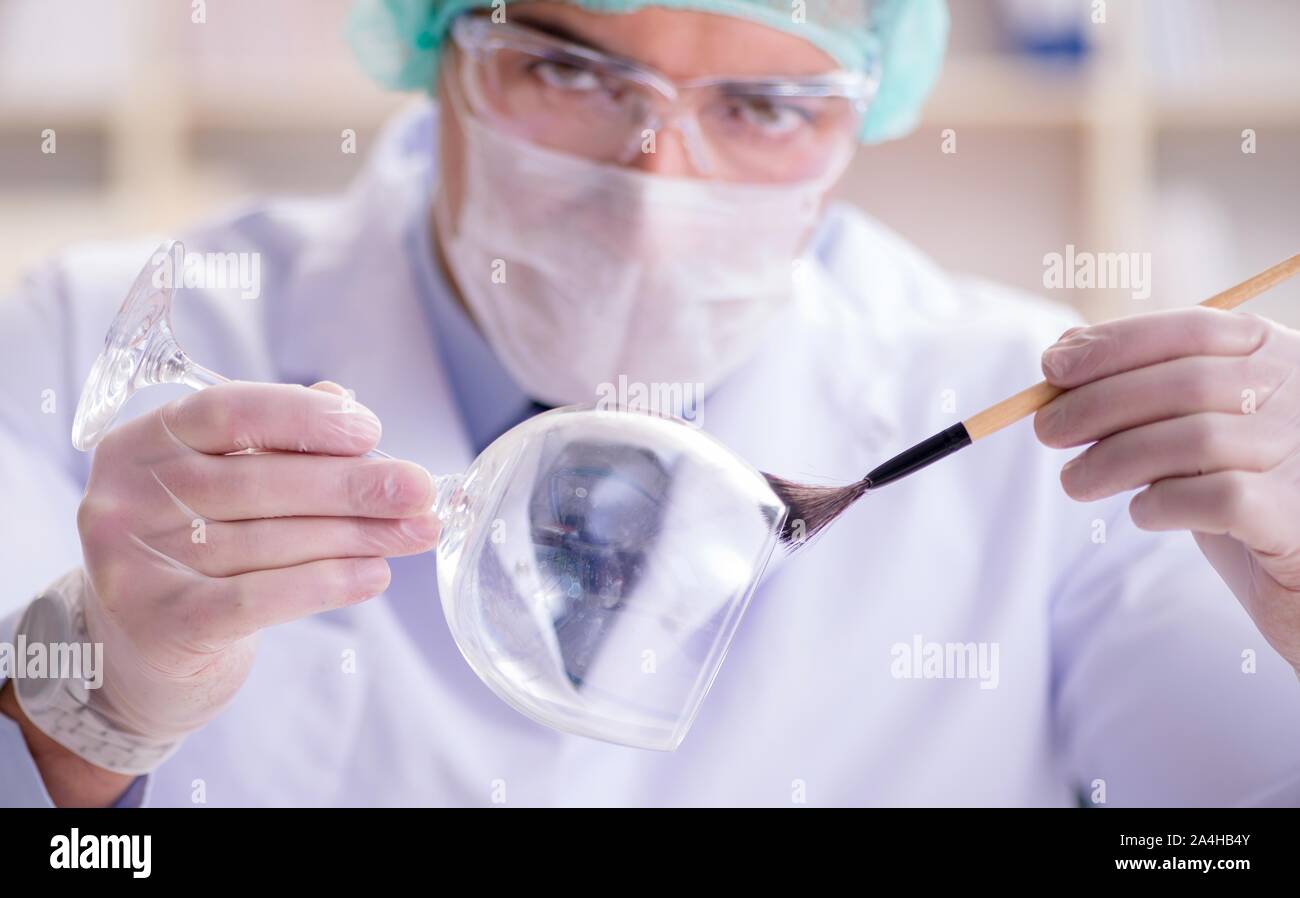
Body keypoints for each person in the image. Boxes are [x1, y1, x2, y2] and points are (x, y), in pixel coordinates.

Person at [1, 0, 1298, 808]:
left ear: (863, 113)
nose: (655, 176)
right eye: (568, 71)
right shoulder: (91, 335)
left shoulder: (1051, 427)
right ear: (440, 45)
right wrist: (88, 710)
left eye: (768, 104)